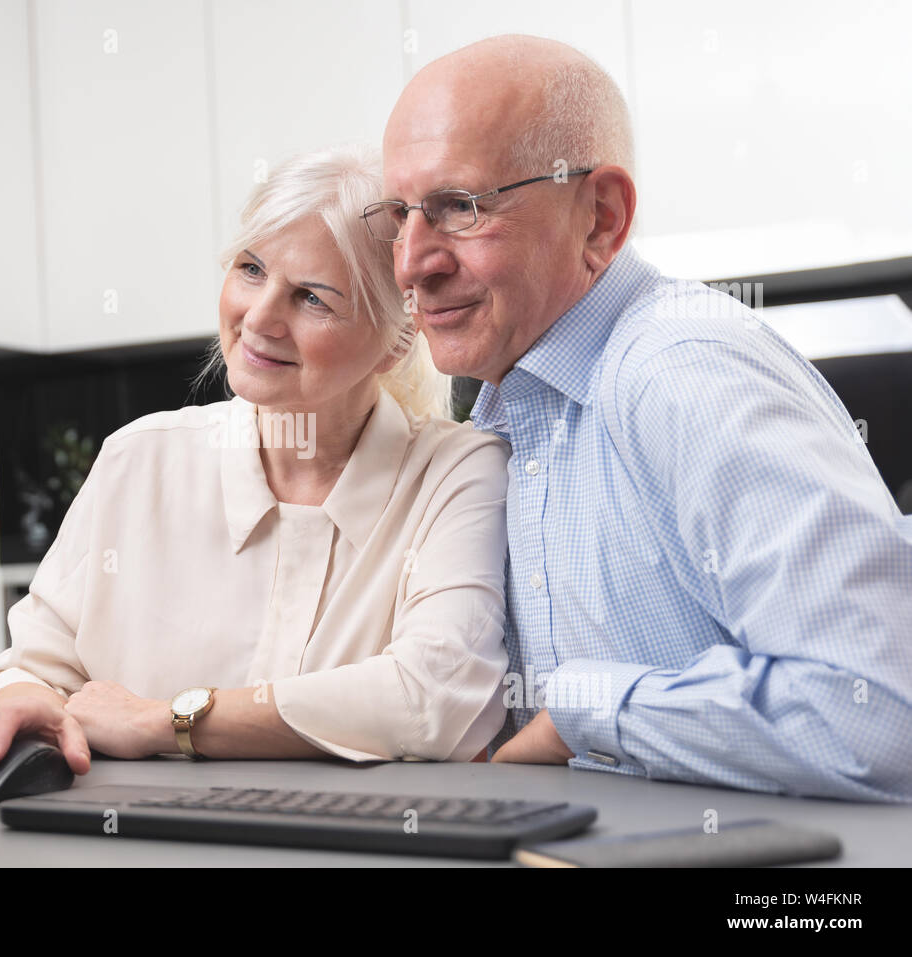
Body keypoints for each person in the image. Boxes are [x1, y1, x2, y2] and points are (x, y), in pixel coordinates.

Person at [375, 34, 912, 801]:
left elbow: (884, 713)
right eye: (401, 214)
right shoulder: (507, 416)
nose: (411, 262)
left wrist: (582, 712)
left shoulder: (680, 368)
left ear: (601, 216)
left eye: (460, 207)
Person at [0, 145, 511, 783]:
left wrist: (166, 722)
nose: (259, 316)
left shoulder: (459, 472)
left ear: (395, 341)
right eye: (250, 269)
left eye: (312, 298)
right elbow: (39, 665)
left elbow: (438, 694)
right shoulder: (139, 458)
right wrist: (24, 702)